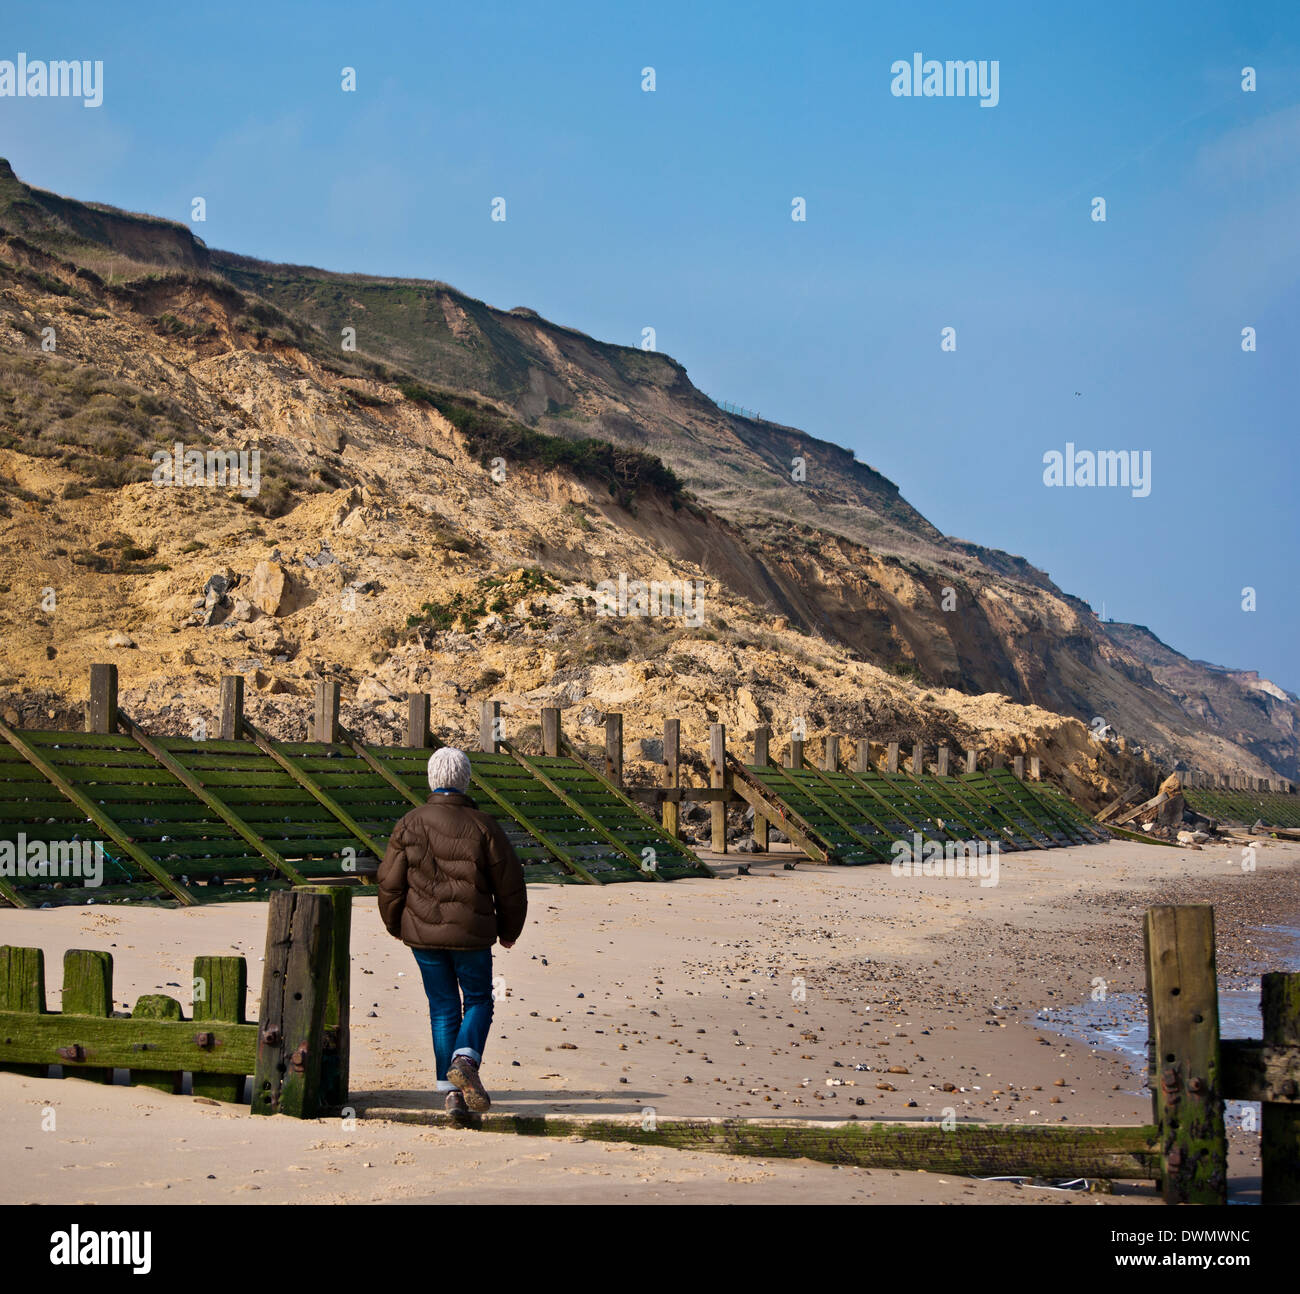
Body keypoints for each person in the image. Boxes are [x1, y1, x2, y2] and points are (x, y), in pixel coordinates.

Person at [377, 746, 527, 1116]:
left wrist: (394, 923)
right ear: (466, 781)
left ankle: (451, 1094)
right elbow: (510, 885)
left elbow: (390, 883)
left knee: (442, 1006)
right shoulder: (484, 825)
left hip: (423, 934)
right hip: (472, 933)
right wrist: (510, 930)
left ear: (431, 780)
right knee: (478, 999)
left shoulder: (409, 823)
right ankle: (465, 1061)